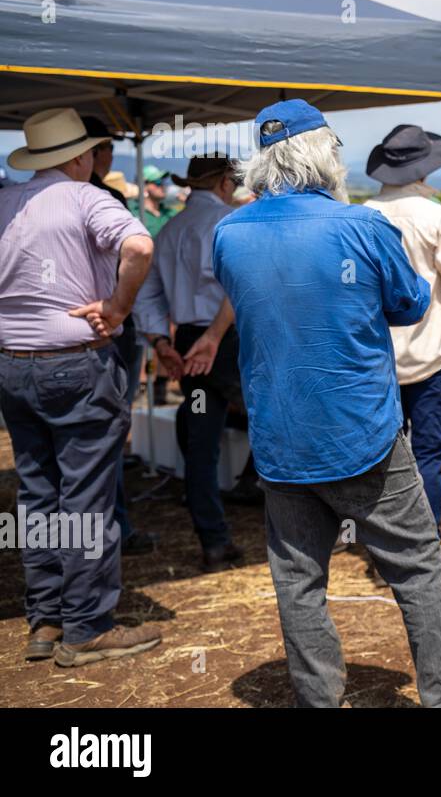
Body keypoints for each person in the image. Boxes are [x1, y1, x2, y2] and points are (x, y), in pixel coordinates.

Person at [212, 100, 441, 707]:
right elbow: (410, 305)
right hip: (364, 432)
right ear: (326, 156)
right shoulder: (359, 226)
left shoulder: (229, 232)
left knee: (299, 582)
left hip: (278, 437)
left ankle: (318, 700)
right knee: (417, 570)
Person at [0, 108, 163, 666]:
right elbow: (140, 248)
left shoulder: (6, 200)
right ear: (79, 156)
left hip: (14, 365)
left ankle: (44, 619)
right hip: (75, 362)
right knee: (86, 497)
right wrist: (117, 308)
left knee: (38, 492)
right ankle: (87, 626)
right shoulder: (85, 196)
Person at [363, 125, 441, 584]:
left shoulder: (362, 215)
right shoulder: (436, 216)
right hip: (431, 358)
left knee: (382, 456)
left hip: (376, 360)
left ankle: (385, 548)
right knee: (428, 455)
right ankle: (425, 552)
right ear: (424, 168)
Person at [135, 153, 254, 572]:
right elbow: (243, 288)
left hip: (187, 343)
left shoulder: (168, 230)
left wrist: (158, 341)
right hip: (228, 341)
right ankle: (283, 511)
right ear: (224, 182)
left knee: (202, 433)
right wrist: (215, 336)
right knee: (272, 419)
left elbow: (146, 294)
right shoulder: (231, 225)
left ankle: (214, 540)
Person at [82, 115, 158, 557]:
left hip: (49, 343)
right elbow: (137, 252)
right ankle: (115, 530)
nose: (109, 156)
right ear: (92, 154)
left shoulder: (26, 200)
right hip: (105, 329)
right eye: (105, 148)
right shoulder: (105, 199)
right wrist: (121, 308)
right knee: (107, 434)